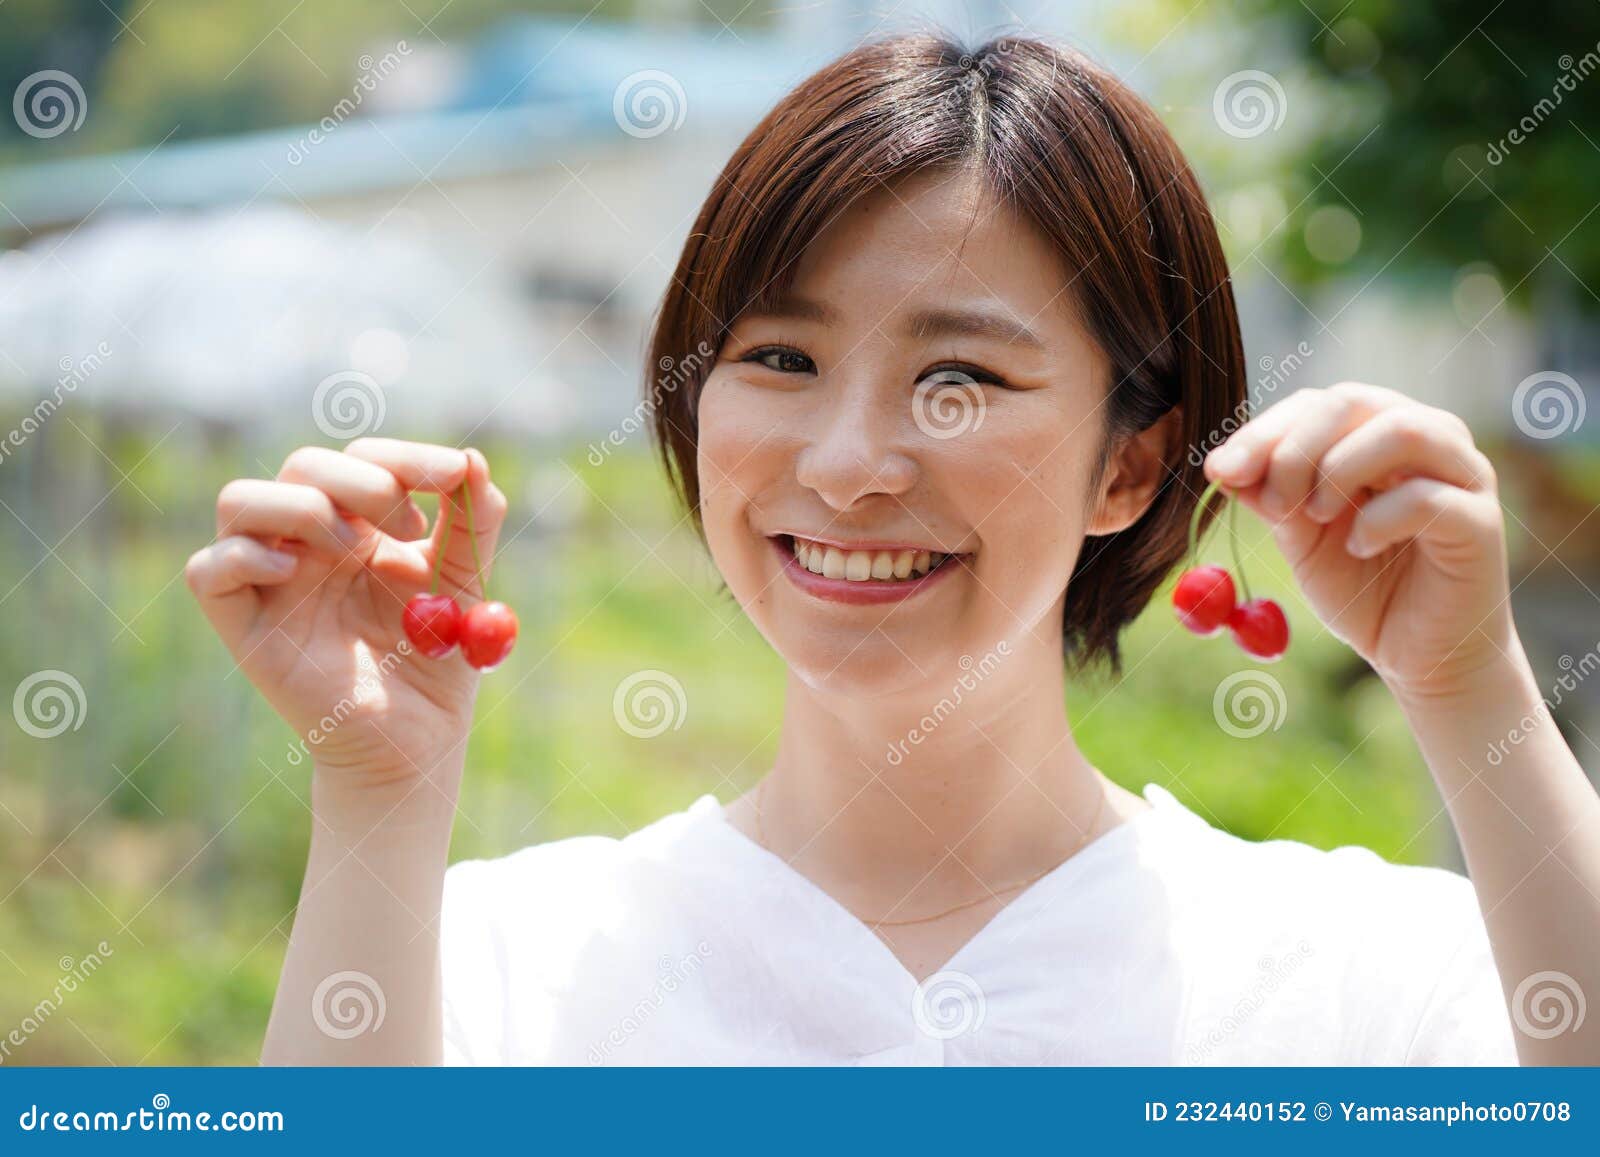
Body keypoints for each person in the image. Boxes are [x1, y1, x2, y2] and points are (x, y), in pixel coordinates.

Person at [186, 32, 1600, 1065]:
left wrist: (1474, 687)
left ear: (1131, 461)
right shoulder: (488, 966)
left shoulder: (1360, 980)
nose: (851, 462)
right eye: (781, 356)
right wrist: (380, 798)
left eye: (960, 379)